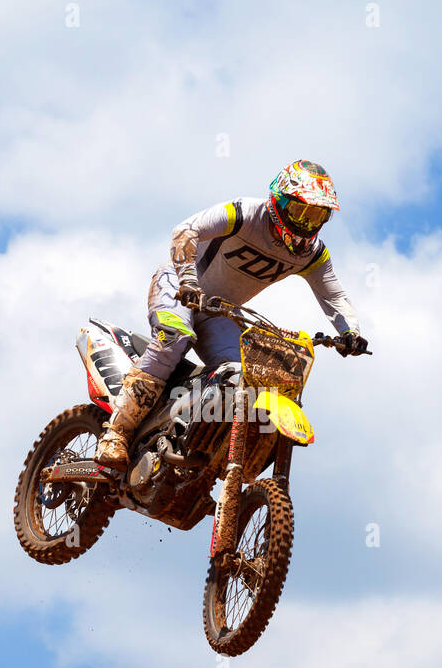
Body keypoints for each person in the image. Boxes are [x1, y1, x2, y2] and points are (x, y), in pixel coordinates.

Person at [95, 160, 369, 469]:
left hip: (220, 312)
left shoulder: (313, 253)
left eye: (317, 215)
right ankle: (116, 433)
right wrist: (188, 280)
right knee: (175, 338)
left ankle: (198, 446)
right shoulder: (244, 213)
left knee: (242, 378)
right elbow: (186, 230)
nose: (306, 223)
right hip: (178, 285)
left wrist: (352, 333)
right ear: (278, 200)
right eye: (300, 211)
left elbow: (334, 295)